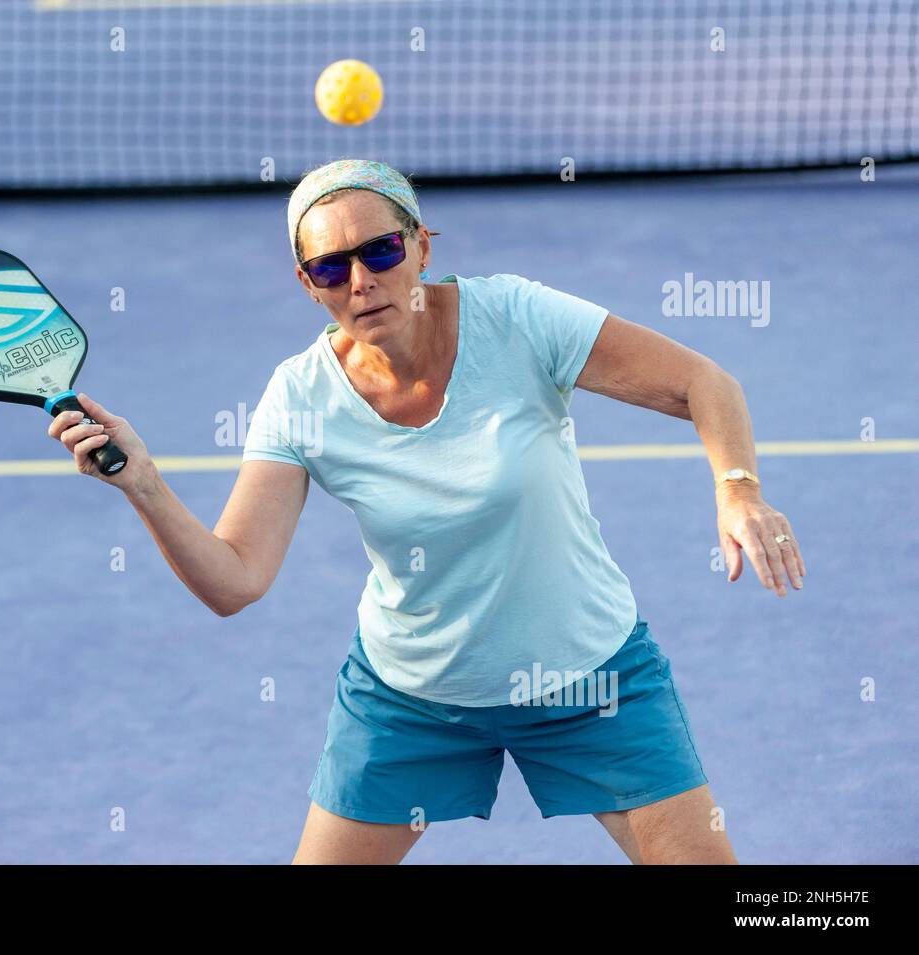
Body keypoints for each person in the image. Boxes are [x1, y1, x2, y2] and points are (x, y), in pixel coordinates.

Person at [47, 158, 806, 865]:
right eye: (329, 267)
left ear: (420, 245)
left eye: (379, 251)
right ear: (307, 284)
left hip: (589, 677)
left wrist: (737, 487)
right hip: (413, 699)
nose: (360, 280)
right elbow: (235, 579)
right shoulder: (299, 396)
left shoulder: (517, 317)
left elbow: (704, 383)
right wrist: (143, 481)